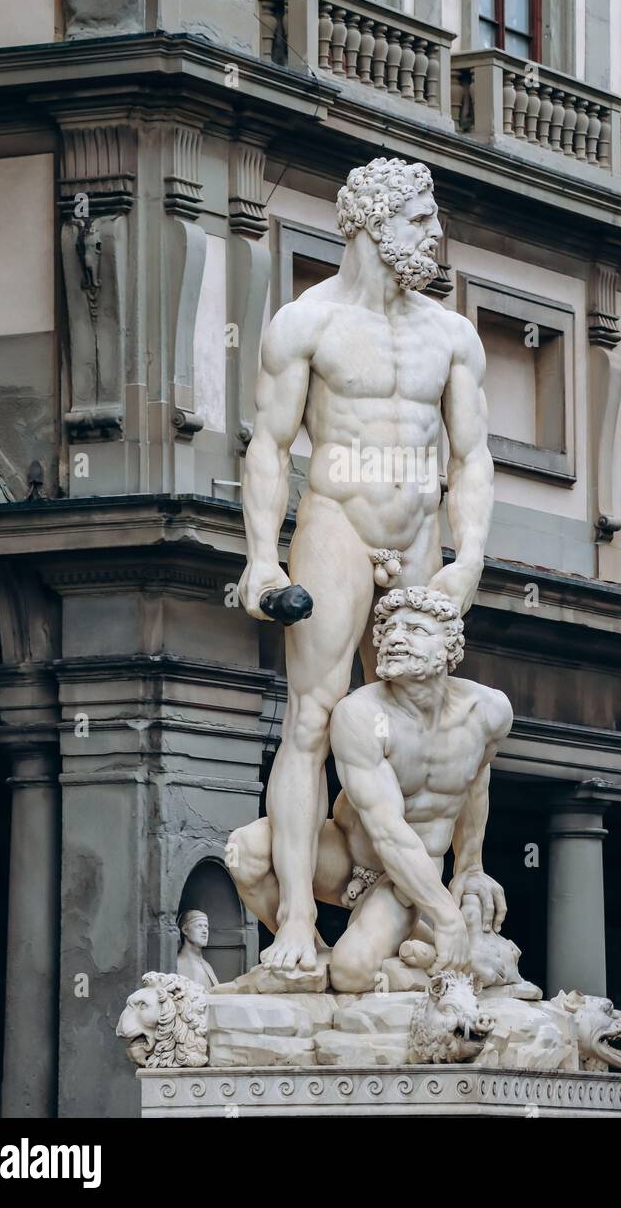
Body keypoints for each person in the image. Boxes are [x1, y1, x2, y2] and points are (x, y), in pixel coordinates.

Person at [238, 158, 494, 972]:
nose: (435, 236)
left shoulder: (452, 334)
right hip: (338, 523)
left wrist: (471, 561)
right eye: (421, 221)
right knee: (311, 722)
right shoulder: (305, 323)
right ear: (374, 223)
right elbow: (269, 448)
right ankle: (293, 926)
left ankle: (432, 905)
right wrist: (261, 561)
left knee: (429, 717)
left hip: (420, 527)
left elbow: (474, 457)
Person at [226, 587, 512, 992]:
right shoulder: (361, 714)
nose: (395, 637)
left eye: (414, 629)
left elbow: (474, 780)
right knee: (246, 849)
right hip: (347, 854)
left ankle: (413, 963)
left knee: (353, 972)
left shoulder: (489, 711)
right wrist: (448, 917)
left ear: (449, 645)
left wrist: (470, 866)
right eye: (389, 629)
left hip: (409, 877)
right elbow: (386, 829)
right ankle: (311, 953)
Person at [175, 910, 217, 990]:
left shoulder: (206, 965)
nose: (205, 931)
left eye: (206, 926)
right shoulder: (178, 964)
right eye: (199, 926)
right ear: (185, 930)